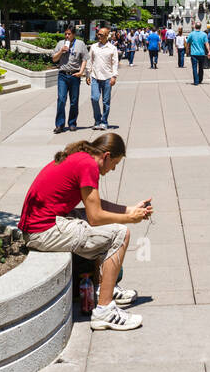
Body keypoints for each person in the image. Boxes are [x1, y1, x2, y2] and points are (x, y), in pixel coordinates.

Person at [18, 133, 152, 331]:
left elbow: (96, 204)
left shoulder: (81, 158)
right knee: (120, 234)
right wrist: (129, 219)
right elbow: (96, 217)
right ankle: (104, 311)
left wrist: (130, 209)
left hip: (39, 225)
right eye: (114, 163)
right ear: (106, 156)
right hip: (43, 231)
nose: (113, 169)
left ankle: (103, 289)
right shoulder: (89, 166)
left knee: (106, 228)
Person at [51, 26, 88, 133]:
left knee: (74, 101)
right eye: (65, 34)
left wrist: (81, 72)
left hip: (74, 75)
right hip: (63, 75)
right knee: (61, 100)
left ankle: (72, 123)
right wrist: (61, 51)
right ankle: (59, 125)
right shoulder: (60, 43)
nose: (67, 36)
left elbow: (85, 58)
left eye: (69, 34)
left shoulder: (80, 44)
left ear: (74, 34)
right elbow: (54, 59)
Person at [86, 27, 119, 130]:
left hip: (107, 77)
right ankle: (97, 120)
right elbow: (89, 60)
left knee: (106, 101)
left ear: (106, 36)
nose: (98, 36)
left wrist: (114, 76)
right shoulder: (94, 47)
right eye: (98, 34)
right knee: (94, 98)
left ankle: (104, 121)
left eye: (101, 34)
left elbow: (115, 63)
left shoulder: (112, 48)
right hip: (95, 76)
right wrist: (87, 74)